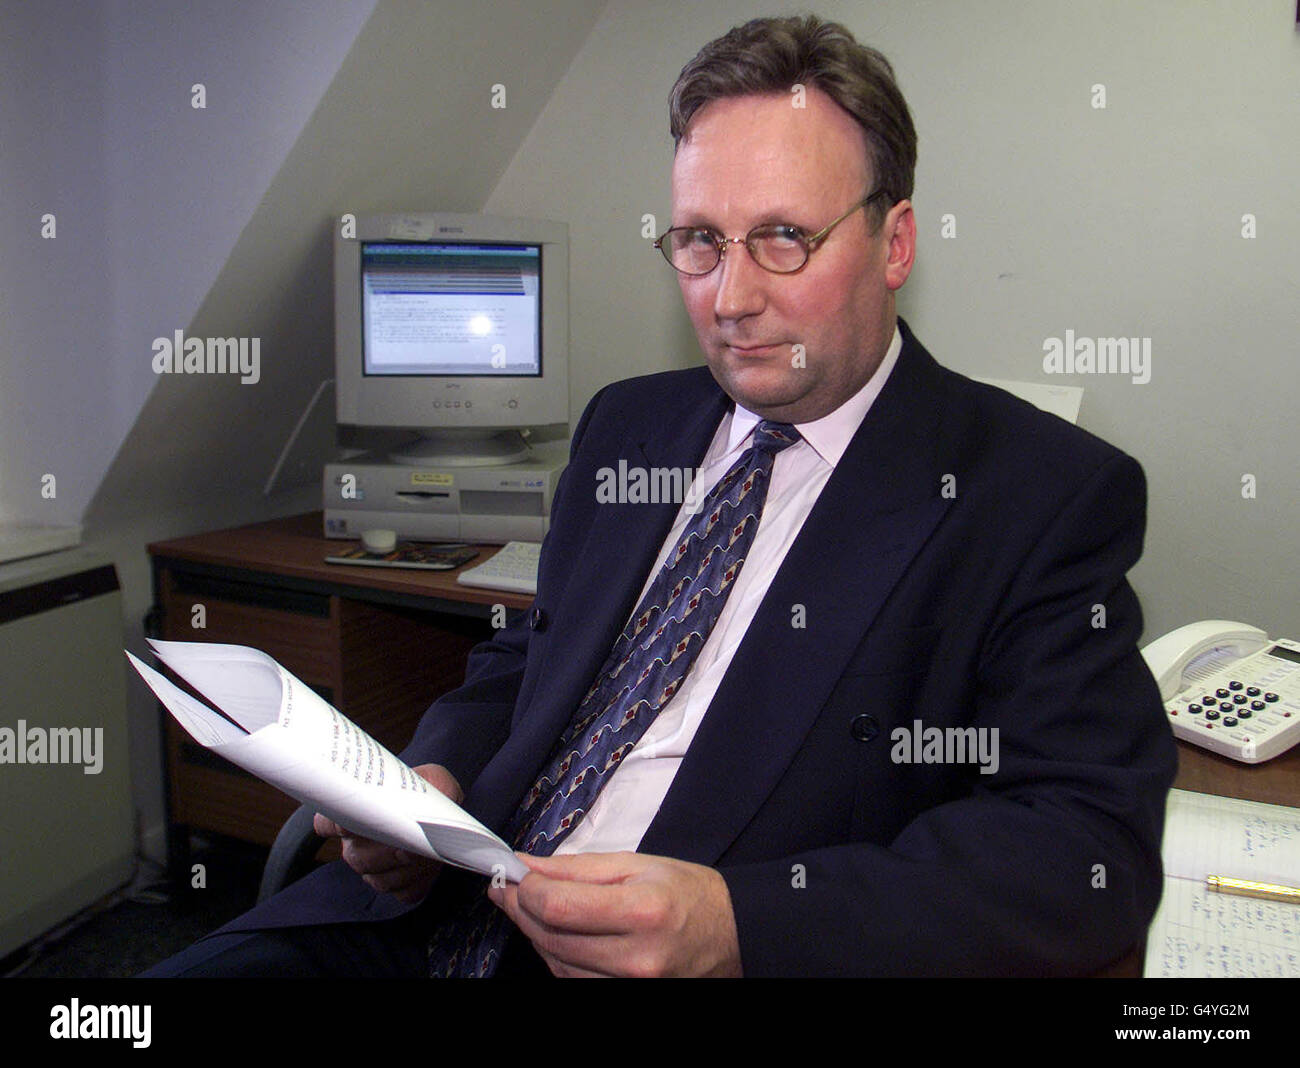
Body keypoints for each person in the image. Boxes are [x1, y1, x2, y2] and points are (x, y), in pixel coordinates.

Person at [142, 14, 1176, 978]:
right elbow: (523, 656)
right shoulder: (626, 427)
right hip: (419, 918)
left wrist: (740, 926)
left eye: (783, 238)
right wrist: (434, 784)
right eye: (698, 242)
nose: (729, 300)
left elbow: (1084, 852)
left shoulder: (1036, 495)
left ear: (893, 241)